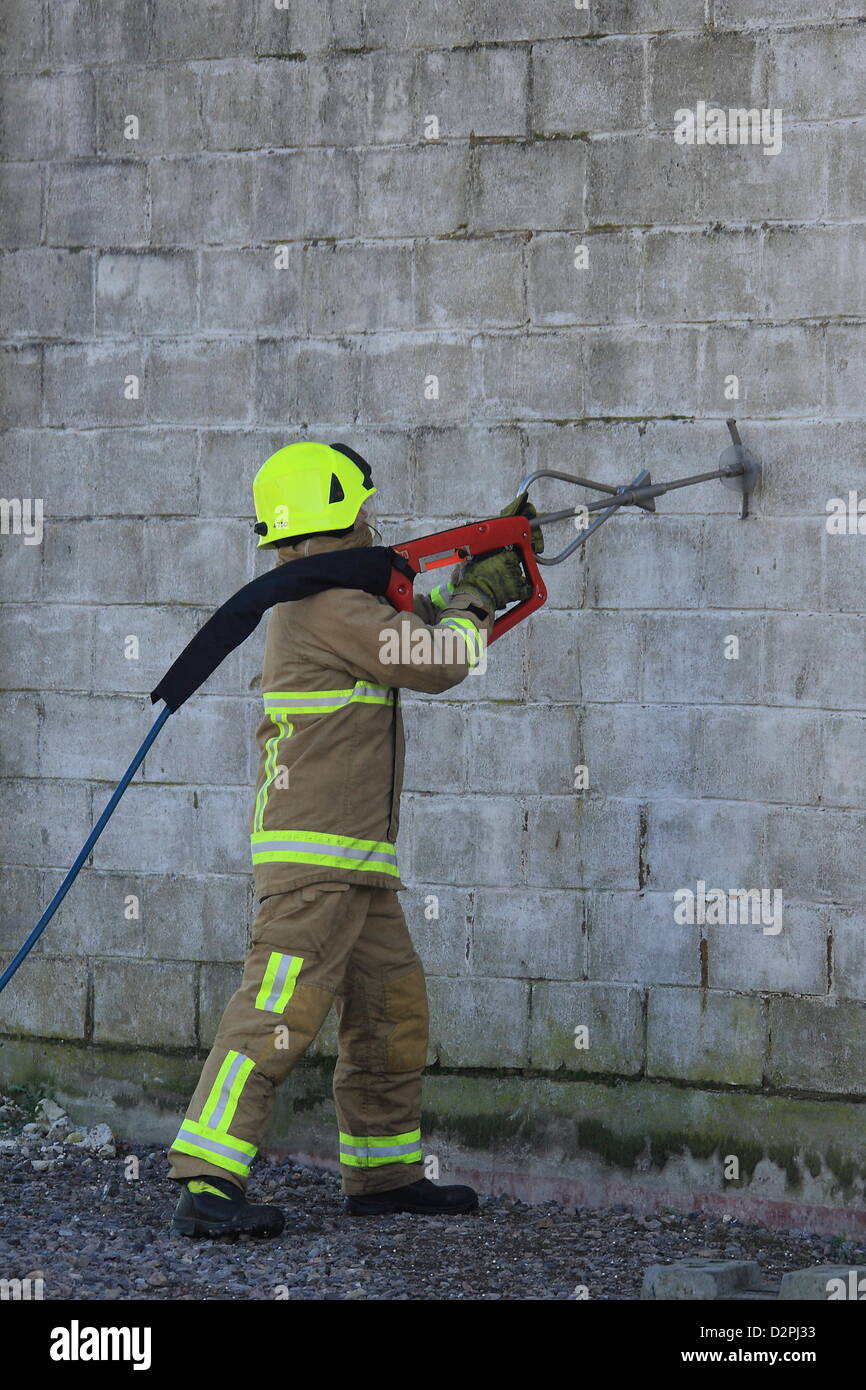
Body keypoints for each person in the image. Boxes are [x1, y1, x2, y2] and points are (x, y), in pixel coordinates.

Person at [168, 441, 535, 1237]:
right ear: (337, 513)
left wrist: (477, 585)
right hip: (317, 859)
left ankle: (382, 1175)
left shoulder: (337, 601)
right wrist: (478, 594)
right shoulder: (326, 606)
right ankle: (205, 1178)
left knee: (389, 1011)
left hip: (358, 859)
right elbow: (434, 660)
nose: (375, 518)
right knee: (274, 1014)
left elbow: (410, 633)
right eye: (363, 506)